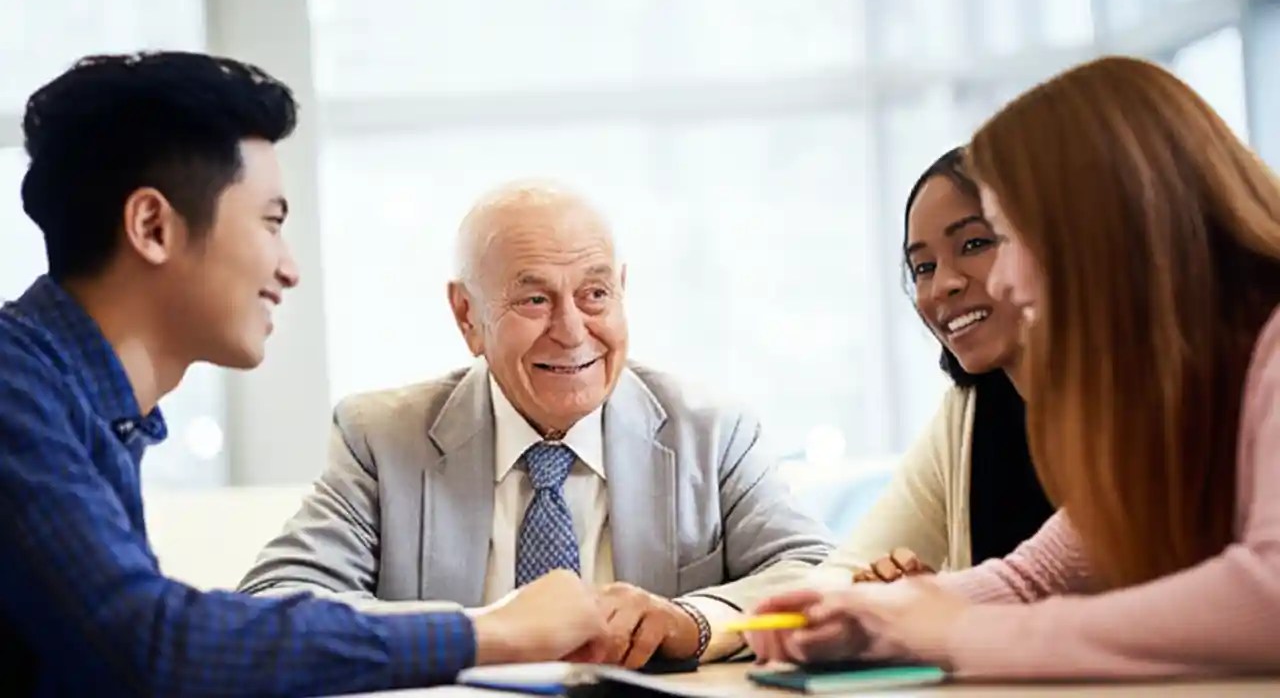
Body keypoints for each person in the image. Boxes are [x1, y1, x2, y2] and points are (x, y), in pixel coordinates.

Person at [0, 51, 606, 698]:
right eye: (271, 222)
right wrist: (491, 632)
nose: (289, 269)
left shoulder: (80, 407)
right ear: (153, 227)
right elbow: (149, 643)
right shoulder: (15, 390)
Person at [746, 55, 1280, 678]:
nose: (1002, 280)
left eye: (1001, 237)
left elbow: (1266, 598)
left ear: (1101, 227)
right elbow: (1039, 576)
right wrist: (868, 617)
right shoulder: (1186, 386)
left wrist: (958, 631)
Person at [239, 180, 834, 669]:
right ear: (467, 315)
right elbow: (275, 604)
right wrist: (485, 632)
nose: (573, 330)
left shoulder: (711, 431)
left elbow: (817, 576)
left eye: (595, 293)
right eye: (534, 300)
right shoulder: (381, 438)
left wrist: (692, 621)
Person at [827, 147, 1053, 584]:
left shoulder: (1140, 405)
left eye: (974, 244)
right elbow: (842, 575)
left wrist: (948, 606)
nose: (941, 286)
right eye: (922, 267)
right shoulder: (967, 413)